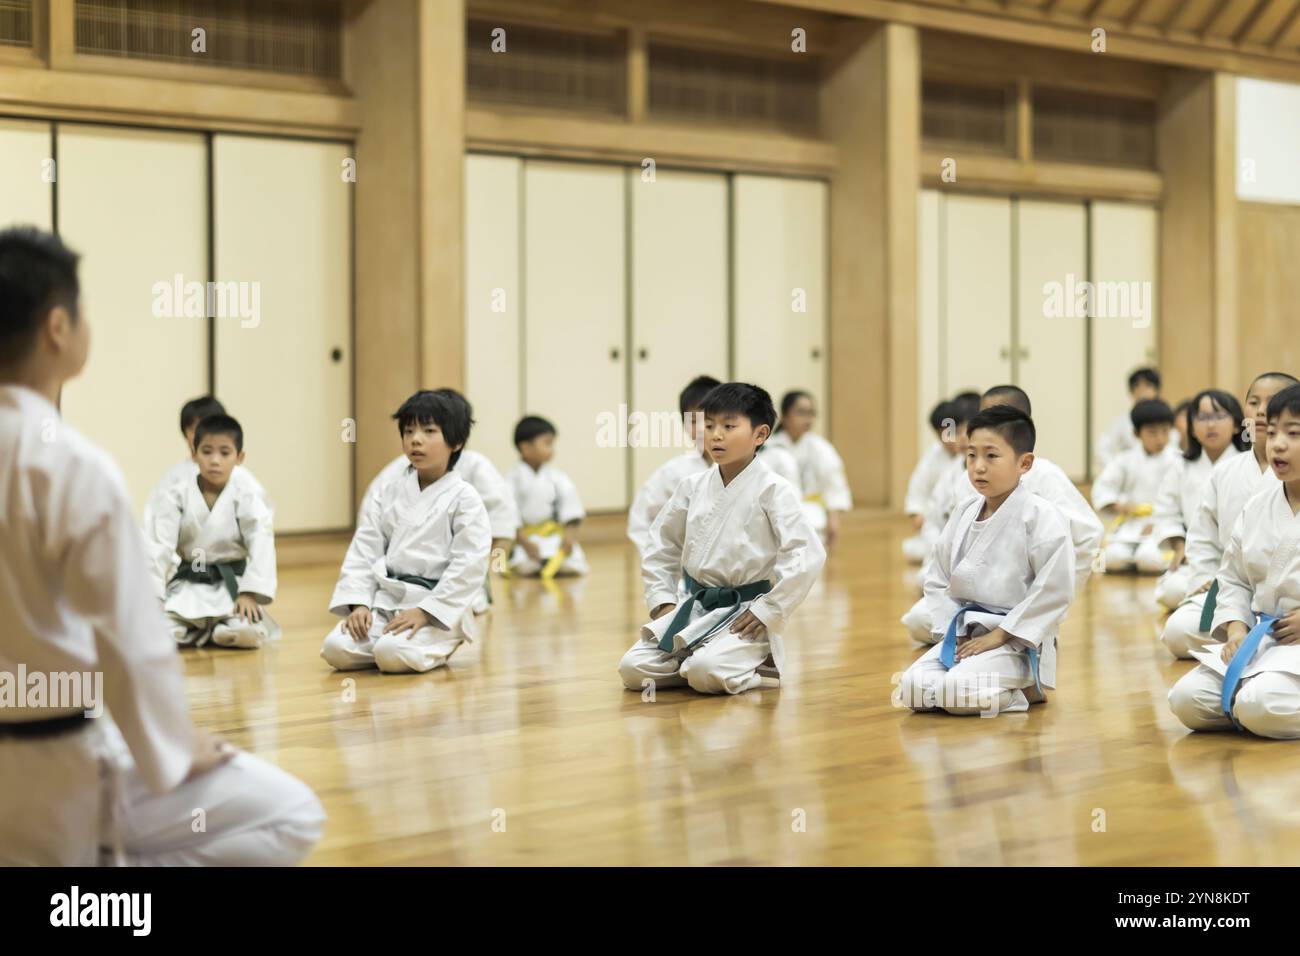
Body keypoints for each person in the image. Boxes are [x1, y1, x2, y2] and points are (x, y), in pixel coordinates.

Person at [0, 225, 322, 865]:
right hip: (61, 754)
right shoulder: (67, 465)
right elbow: (129, 635)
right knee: (293, 815)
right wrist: (174, 747)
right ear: (59, 328)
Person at [618, 383, 825, 695]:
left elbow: (807, 554)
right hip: (695, 606)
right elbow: (661, 546)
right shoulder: (691, 486)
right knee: (633, 670)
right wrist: (663, 601)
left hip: (745, 614)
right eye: (710, 425)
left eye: (729, 426)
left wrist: (768, 610)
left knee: (705, 672)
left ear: (760, 434)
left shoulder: (773, 489)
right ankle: (695, 664)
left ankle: (756, 666)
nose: (715, 435)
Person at [897, 405, 1074, 716]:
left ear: (1025, 463)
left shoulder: (1041, 516)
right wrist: (955, 632)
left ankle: (1025, 691)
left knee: (953, 694)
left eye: (991, 456)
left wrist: (1001, 635)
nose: (978, 467)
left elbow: (1053, 590)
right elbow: (937, 578)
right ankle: (990, 684)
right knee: (912, 689)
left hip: (1017, 642)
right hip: (969, 634)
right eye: (971, 455)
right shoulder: (965, 511)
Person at [320, 389, 492, 673]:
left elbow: (470, 563)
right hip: (387, 601)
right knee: (336, 649)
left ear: (457, 441)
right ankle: (391, 639)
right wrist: (359, 603)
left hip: (435, 608)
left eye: (429, 430)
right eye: (409, 430)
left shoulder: (465, 499)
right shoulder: (389, 492)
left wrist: (427, 611)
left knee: (390, 653)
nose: (416, 439)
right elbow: (365, 548)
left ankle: (439, 643)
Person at [1168, 383, 1300, 738]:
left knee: (1260, 704)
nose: (1279, 444)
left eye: (1294, 434)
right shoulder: (1259, 504)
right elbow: (1236, 578)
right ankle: (1255, 704)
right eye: (1272, 433)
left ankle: (1257, 705)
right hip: (1267, 637)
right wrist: (1238, 629)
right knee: (1186, 700)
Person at [145, 414, 279, 648]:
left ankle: (207, 631)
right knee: (156, 632)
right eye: (207, 452)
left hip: (232, 586)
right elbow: (159, 545)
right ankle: (205, 629)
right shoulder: (176, 494)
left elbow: (262, 541)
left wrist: (250, 593)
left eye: (224, 453)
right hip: (189, 582)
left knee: (248, 631)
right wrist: (154, 595)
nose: (215, 460)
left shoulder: (246, 495)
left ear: (240, 457)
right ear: (194, 453)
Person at [767, 390, 852, 549]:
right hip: (776, 515)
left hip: (811, 511)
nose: (807, 419)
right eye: (801, 413)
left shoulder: (820, 448)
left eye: (811, 413)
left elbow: (834, 484)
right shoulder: (769, 448)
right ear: (785, 415)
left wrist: (833, 518)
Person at [506, 415, 588, 577]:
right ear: (526, 447)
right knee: (523, 563)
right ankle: (540, 564)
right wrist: (525, 542)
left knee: (575, 562)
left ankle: (551, 563)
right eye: (547, 444)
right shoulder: (512, 479)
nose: (552, 450)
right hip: (525, 540)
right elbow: (508, 514)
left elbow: (572, 509)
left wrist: (568, 539)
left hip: (553, 538)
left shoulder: (557, 477)